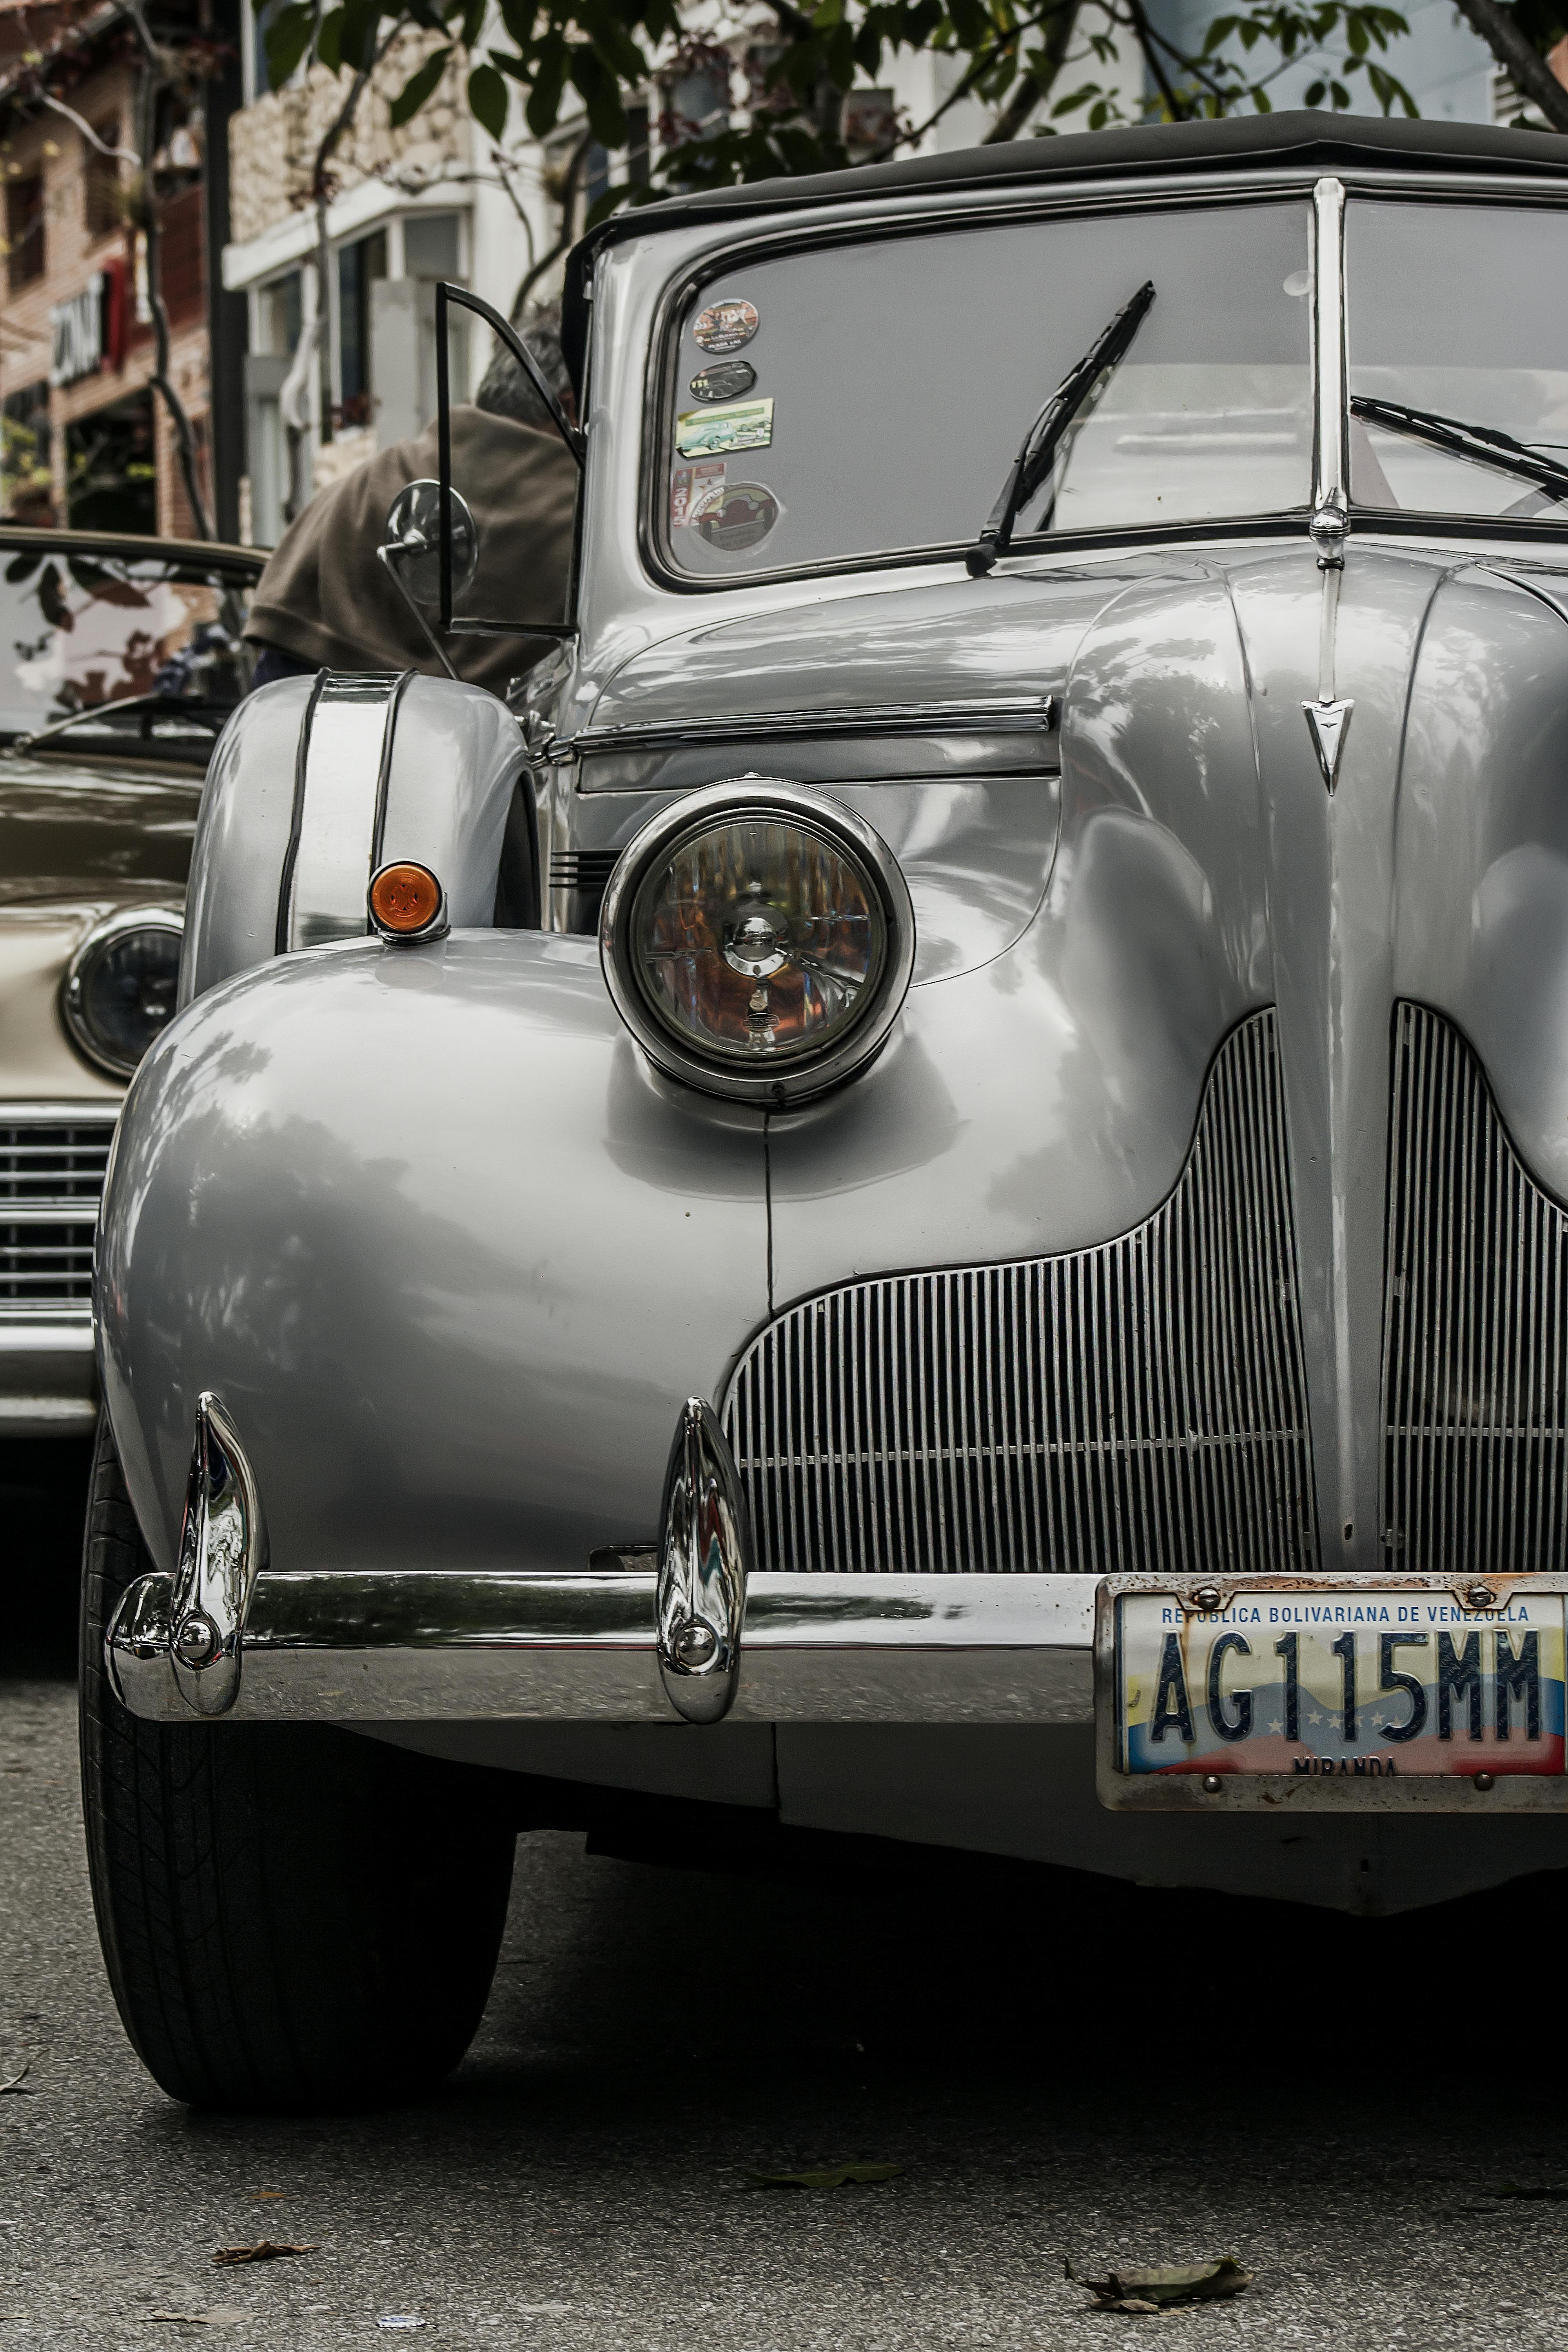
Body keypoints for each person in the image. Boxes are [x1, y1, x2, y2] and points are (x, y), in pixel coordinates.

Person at [245, 303, 578, 700]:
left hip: (308, 729)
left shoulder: (358, 488)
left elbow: (275, 677)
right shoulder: (588, 517)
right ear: (571, 405)